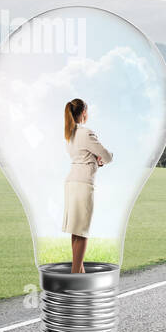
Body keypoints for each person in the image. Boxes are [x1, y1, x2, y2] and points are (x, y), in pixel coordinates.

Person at [62, 98, 113, 274]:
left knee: (75, 230)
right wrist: (101, 159)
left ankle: (80, 272)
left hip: (71, 183)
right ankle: (75, 276)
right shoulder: (86, 133)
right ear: (84, 112)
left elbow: (83, 155)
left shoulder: (69, 134)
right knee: (82, 231)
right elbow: (106, 156)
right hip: (83, 184)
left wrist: (95, 159)